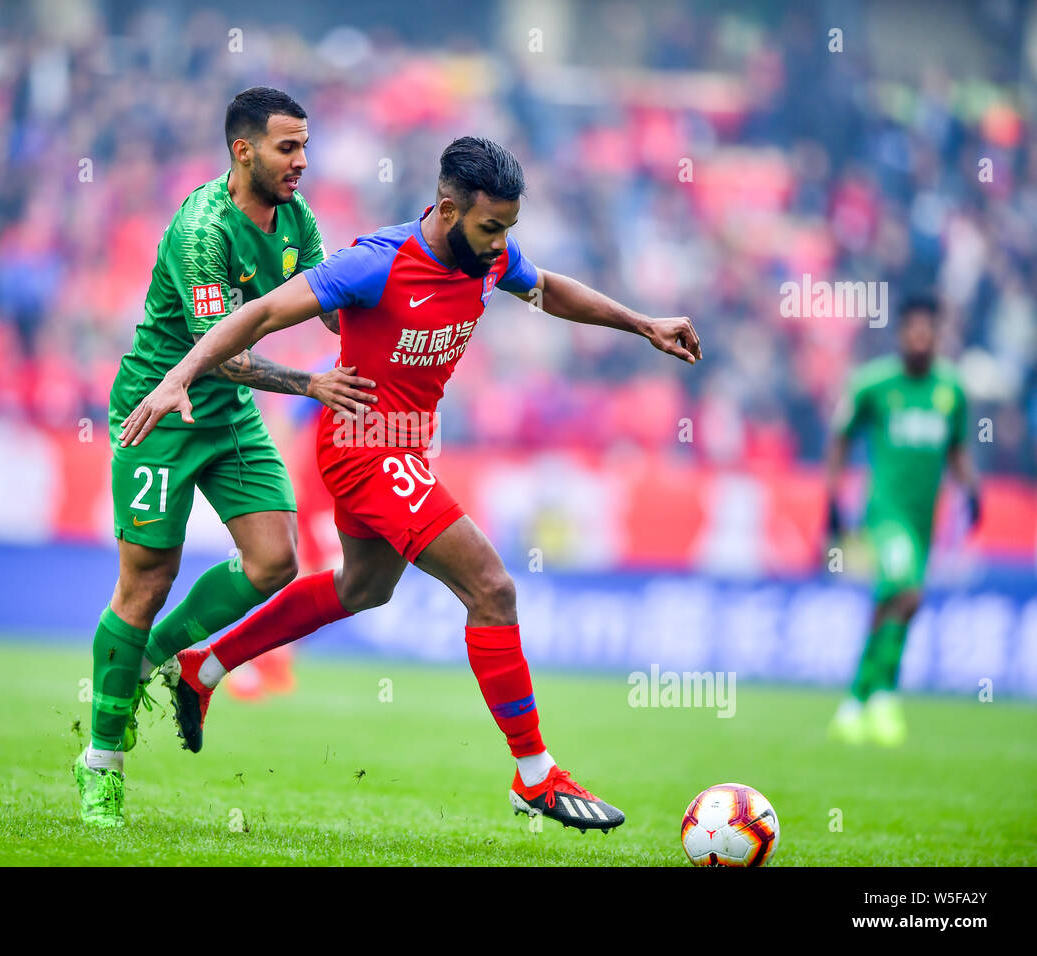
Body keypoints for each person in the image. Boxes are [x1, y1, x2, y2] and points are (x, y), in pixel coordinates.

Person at [120, 136, 702, 831]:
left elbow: (546, 289)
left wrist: (642, 325)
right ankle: (536, 776)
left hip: (407, 449)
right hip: (362, 446)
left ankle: (204, 664)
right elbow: (262, 314)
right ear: (448, 208)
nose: (501, 244)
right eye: (491, 228)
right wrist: (181, 374)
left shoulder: (490, 257)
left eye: (509, 229)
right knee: (492, 587)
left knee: (363, 588)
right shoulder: (378, 262)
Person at [74, 87, 375, 828]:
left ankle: (158, 658)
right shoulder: (203, 229)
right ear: (244, 151)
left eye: (305, 146)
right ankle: (102, 763)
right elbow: (223, 353)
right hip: (163, 408)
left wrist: (393, 287)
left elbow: (333, 301)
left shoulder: (296, 218)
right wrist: (309, 383)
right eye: (287, 148)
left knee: (275, 561)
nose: (302, 161)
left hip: (229, 416)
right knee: (146, 582)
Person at [825, 294, 980, 747]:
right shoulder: (874, 385)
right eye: (911, 330)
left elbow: (957, 450)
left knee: (892, 601)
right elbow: (839, 438)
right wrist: (832, 498)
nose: (919, 338)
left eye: (927, 331)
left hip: (924, 518)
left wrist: (972, 490)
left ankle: (855, 702)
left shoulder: (951, 391)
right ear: (900, 335)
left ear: (937, 335)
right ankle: (885, 695)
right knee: (908, 594)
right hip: (886, 514)